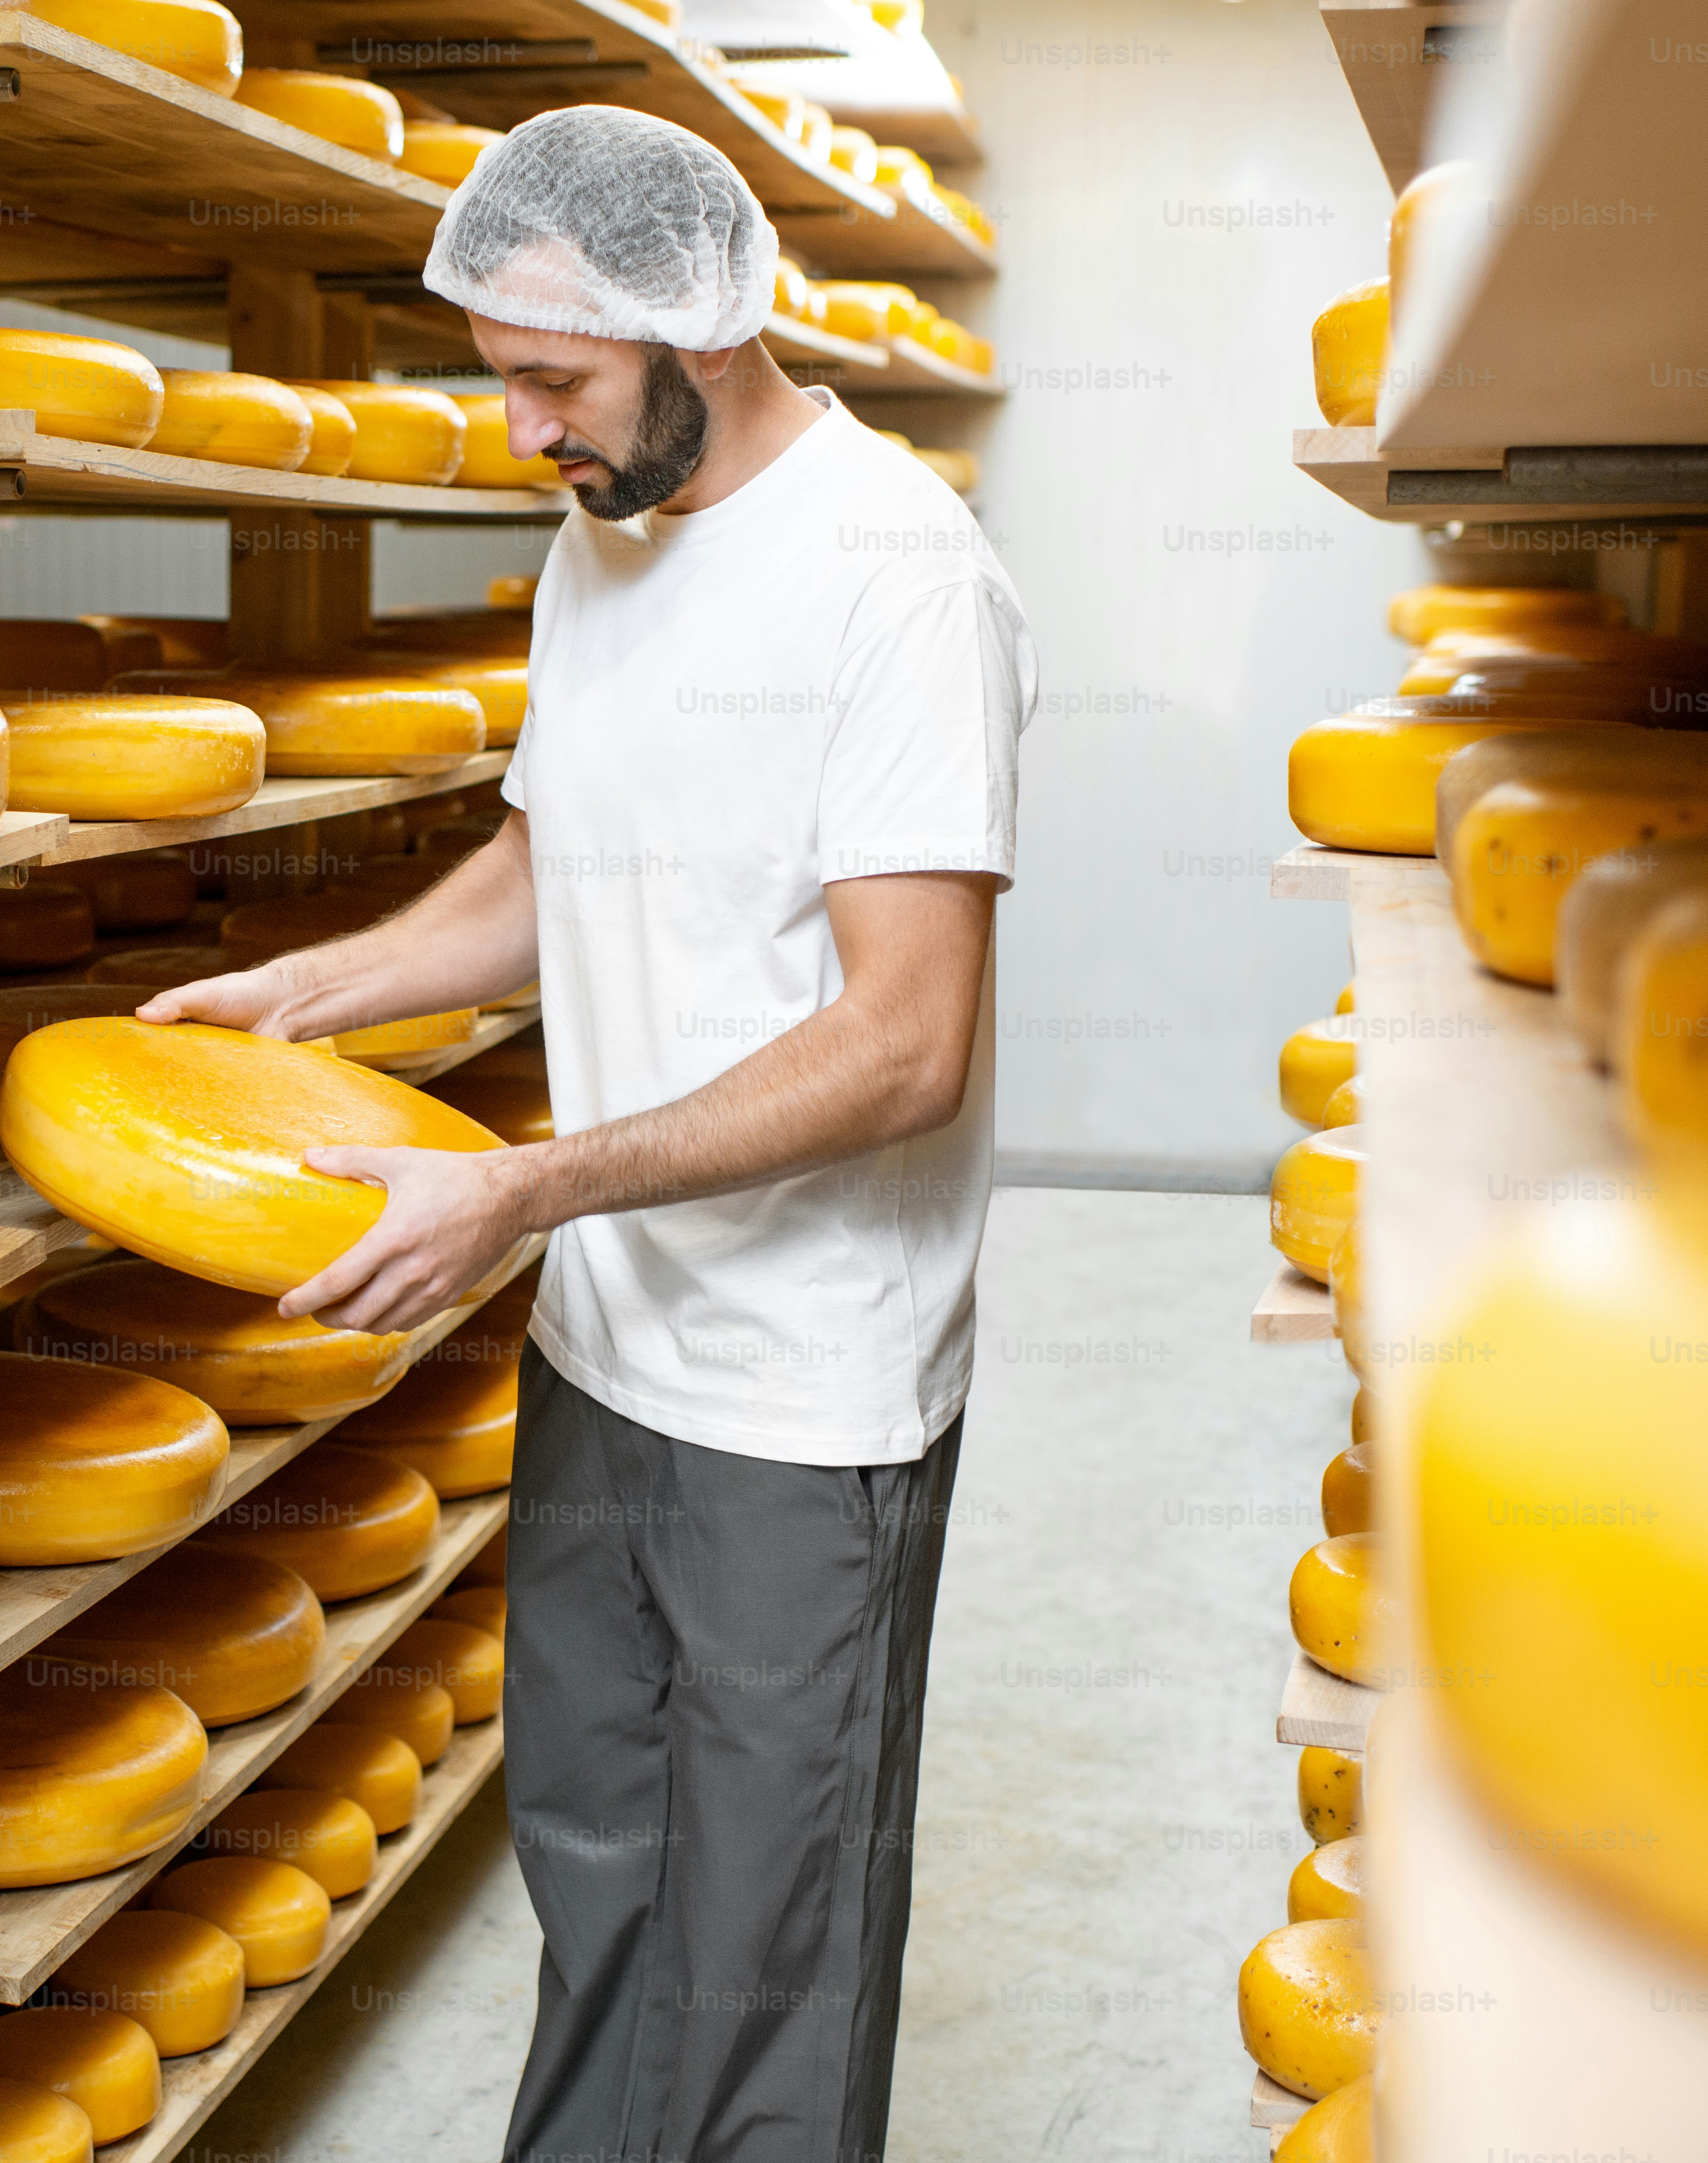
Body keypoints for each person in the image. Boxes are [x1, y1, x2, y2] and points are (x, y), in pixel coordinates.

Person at [137, 104, 1036, 2163]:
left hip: (807, 1401)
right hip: (606, 1344)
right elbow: (545, 871)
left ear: (698, 329)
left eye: (552, 380)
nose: (524, 427)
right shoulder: (600, 539)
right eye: (502, 377)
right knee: (604, 1883)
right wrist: (311, 994)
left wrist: (528, 1186)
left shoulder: (901, 581)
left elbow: (905, 1045)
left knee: (760, 1968)